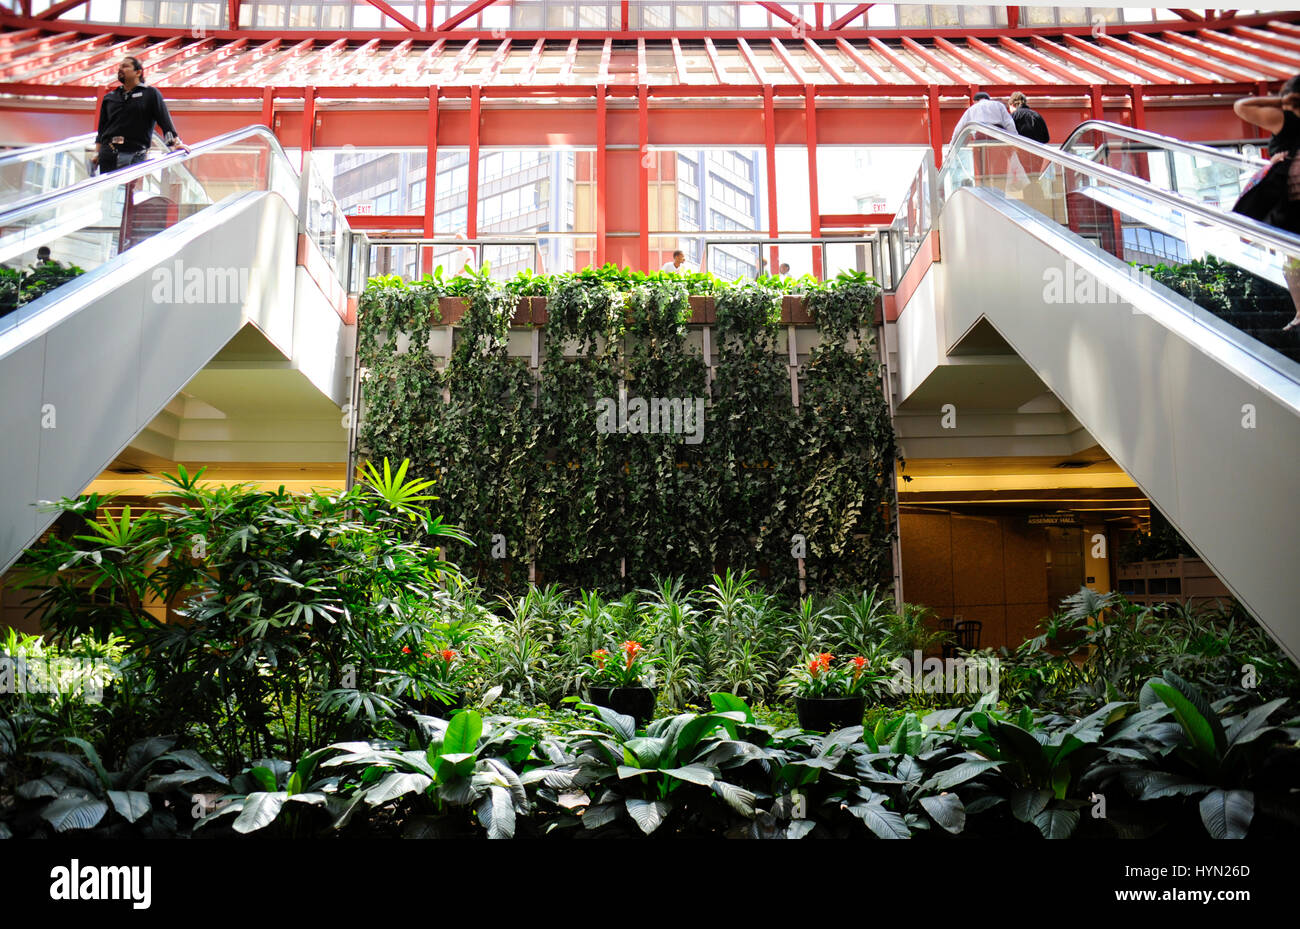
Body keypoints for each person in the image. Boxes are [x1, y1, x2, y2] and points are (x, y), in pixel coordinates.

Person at [1233, 74, 1300, 330]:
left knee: (1292, 254)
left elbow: (1241, 106)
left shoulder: (1286, 119)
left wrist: (1281, 102)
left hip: (1291, 196)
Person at [93, 57, 188, 174]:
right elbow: (102, 130)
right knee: (107, 190)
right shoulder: (110, 97)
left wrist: (176, 144)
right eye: (120, 67)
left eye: (125, 66)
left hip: (134, 154)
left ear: (138, 72)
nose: (120, 69)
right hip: (108, 153)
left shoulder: (150, 94)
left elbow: (165, 122)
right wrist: (97, 153)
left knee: (128, 190)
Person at [951, 91, 1016, 142]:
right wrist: (1015, 139)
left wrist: (951, 147)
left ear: (975, 101)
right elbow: (1009, 124)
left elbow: (958, 129)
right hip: (998, 136)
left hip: (980, 137)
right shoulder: (999, 105)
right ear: (988, 99)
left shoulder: (972, 109)